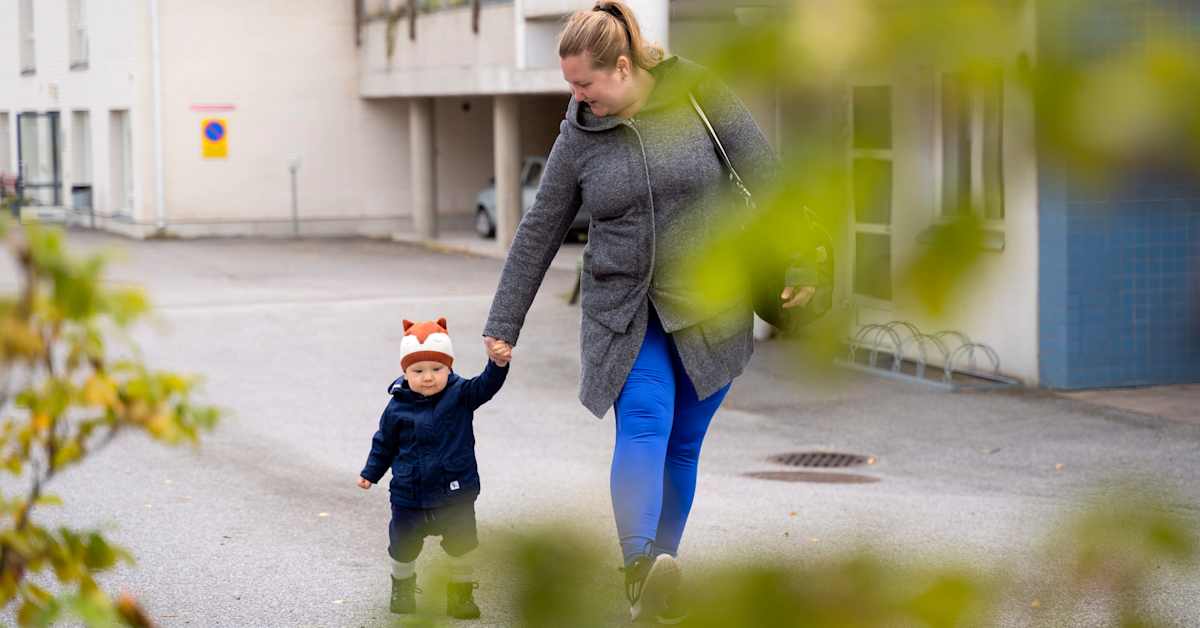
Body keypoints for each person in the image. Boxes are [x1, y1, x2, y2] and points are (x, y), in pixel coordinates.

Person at [482, 1, 816, 623]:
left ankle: (663, 570)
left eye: (583, 82)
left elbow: (767, 177)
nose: (576, 96)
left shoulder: (697, 95)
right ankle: (639, 568)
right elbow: (540, 228)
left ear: (624, 66)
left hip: (710, 303)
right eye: (569, 84)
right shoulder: (578, 133)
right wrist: (505, 322)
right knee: (643, 421)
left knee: (683, 445)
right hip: (623, 310)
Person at [358, 317, 509, 619]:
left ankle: (460, 595)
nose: (428, 377)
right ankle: (402, 587)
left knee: (462, 545)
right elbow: (384, 443)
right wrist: (370, 472)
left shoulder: (462, 395)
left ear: (449, 368)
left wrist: (497, 364)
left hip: (455, 492)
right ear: (405, 372)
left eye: (437, 369)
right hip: (409, 493)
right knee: (402, 546)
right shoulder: (396, 406)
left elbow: (487, 385)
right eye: (418, 371)